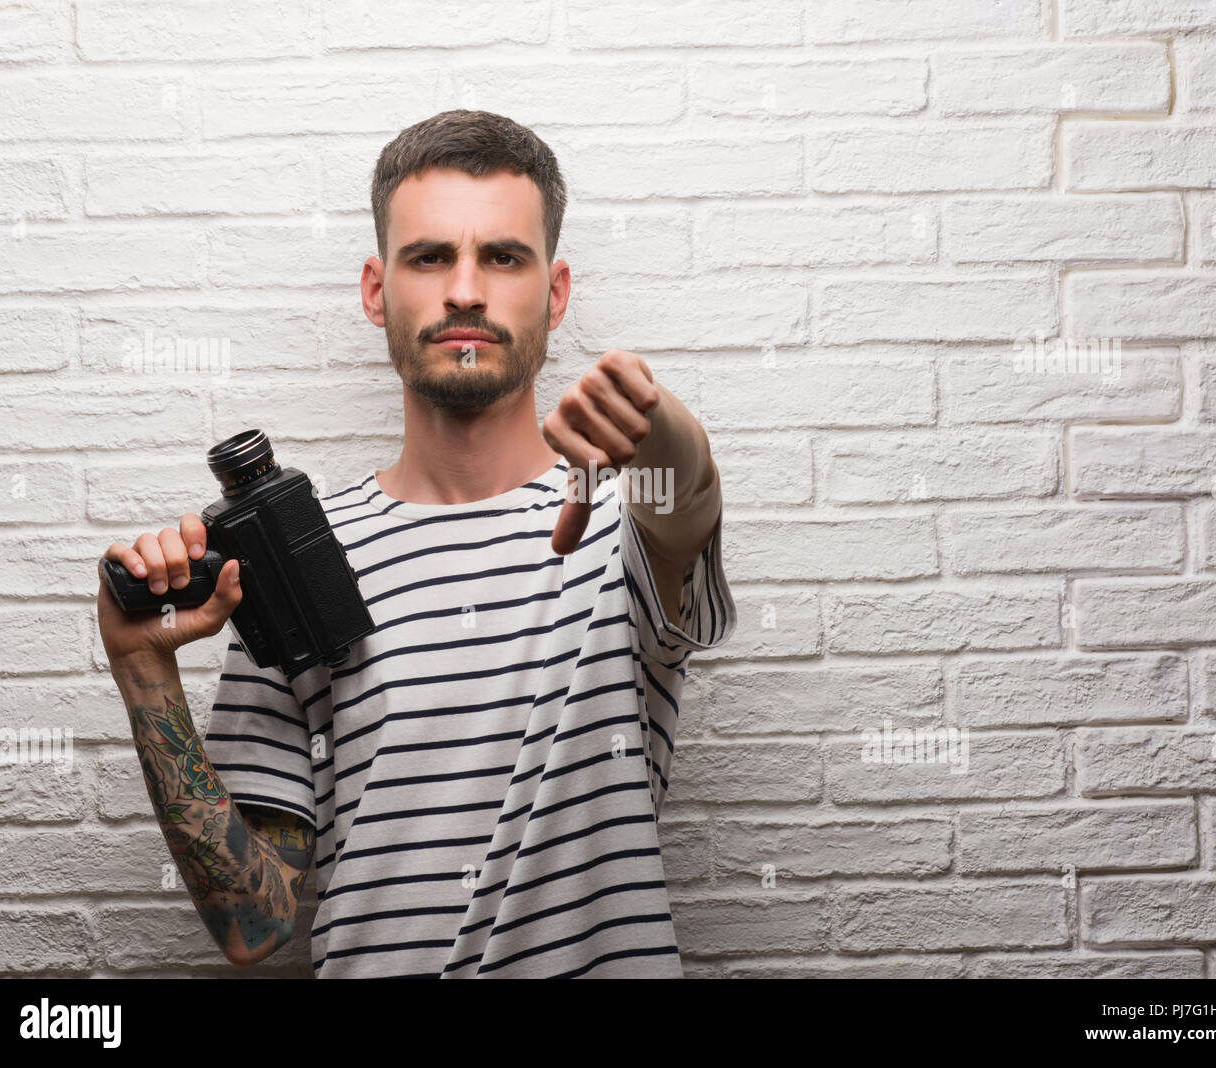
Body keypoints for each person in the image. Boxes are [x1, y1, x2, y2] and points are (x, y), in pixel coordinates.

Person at [97, 109, 736, 978]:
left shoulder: (617, 529)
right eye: (430, 257)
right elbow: (254, 923)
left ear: (554, 293)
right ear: (376, 290)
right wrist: (143, 669)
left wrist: (660, 424)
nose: (465, 289)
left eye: (503, 257)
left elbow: (687, 499)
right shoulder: (295, 562)